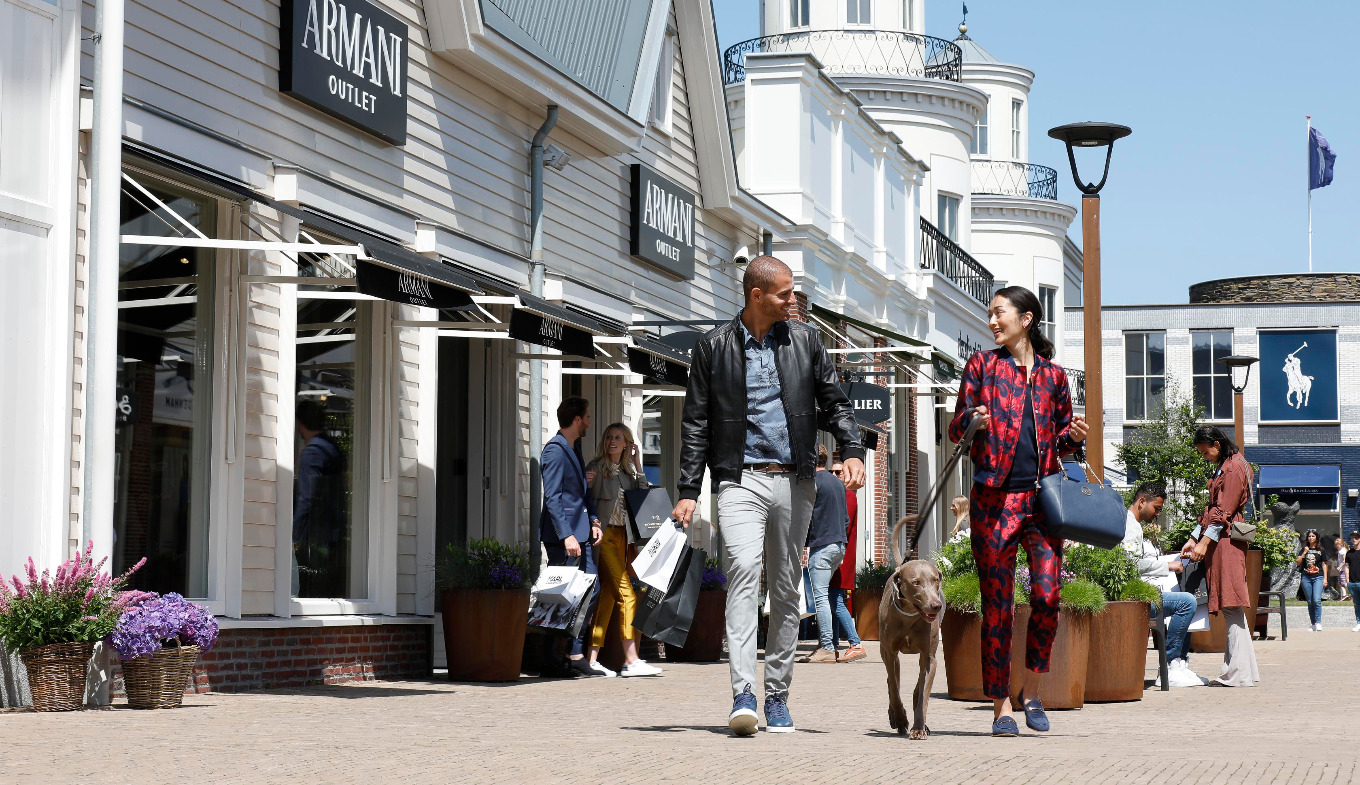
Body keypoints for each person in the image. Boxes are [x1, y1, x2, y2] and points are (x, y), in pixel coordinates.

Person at [672, 256, 866, 736]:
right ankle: (743, 692)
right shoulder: (714, 346)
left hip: (795, 479)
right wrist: (686, 490)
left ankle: (777, 695)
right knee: (742, 573)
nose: (793, 299)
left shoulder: (805, 340)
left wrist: (852, 448)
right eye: (785, 293)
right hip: (738, 479)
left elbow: (834, 401)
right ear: (757, 295)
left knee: (783, 589)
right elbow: (696, 422)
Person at [949, 285, 1088, 737]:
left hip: (1043, 502)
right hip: (994, 500)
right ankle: (1001, 706)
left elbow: (1062, 439)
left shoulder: (1053, 376)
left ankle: (1031, 690)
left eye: (999, 313)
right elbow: (955, 428)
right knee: (999, 609)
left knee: (1047, 597)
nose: (992, 321)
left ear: (1026, 319)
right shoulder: (982, 366)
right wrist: (973, 422)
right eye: (991, 314)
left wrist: (1076, 436)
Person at [1180, 425, 1259, 687]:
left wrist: (1202, 542)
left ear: (1216, 443)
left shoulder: (1233, 467)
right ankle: (1244, 672)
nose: (1205, 457)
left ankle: (1236, 673)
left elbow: (1222, 511)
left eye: (1205, 452)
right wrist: (1194, 538)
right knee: (1232, 606)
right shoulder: (1230, 464)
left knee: (1230, 603)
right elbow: (1213, 510)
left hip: (1225, 541)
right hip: (1224, 540)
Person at [582, 423, 662, 678]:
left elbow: (644, 500)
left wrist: (639, 464)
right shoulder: (595, 469)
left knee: (607, 596)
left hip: (622, 541)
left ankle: (592, 659)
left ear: (627, 443)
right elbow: (583, 499)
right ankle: (631, 660)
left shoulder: (628, 474)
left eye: (618, 438)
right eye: (609, 438)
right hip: (603, 539)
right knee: (627, 595)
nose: (612, 442)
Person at [539, 396, 604, 679]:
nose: (589, 422)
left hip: (583, 534)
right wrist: (566, 534)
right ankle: (550, 657)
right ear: (577, 420)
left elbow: (581, 494)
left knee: (592, 590)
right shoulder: (554, 451)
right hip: (564, 537)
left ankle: (575, 652)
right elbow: (552, 497)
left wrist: (593, 520)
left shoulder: (574, 448)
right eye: (587, 418)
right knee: (560, 596)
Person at [1120, 481, 1204, 688]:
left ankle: (1178, 663)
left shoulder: (1131, 523)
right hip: (1133, 598)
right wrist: (1167, 565)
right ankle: (1170, 665)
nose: (1157, 513)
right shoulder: (1130, 525)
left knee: (1187, 598)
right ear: (1141, 501)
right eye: (1156, 508)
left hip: (1139, 591)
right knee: (1187, 602)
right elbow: (1131, 564)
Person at [799, 446, 851, 664]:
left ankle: (828, 647)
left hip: (822, 547)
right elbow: (846, 519)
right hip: (839, 546)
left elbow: (804, 515)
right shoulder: (838, 484)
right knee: (825, 597)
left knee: (820, 598)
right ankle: (826, 644)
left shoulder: (814, 483)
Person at [294, 400, 344, 598]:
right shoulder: (332, 448)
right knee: (328, 589)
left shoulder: (312, 453)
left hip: (315, 535)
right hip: (334, 531)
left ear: (300, 424)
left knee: (311, 589)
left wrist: (294, 534)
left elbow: (307, 497)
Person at [828, 459, 866, 663]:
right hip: (838, 555)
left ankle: (855, 642)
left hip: (841, 556)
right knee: (831, 599)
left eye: (838, 473)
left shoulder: (848, 496)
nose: (834, 476)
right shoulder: (841, 495)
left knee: (835, 599)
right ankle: (832, 644)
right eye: (831, 472)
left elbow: (843, 526)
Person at [1296, 529, 1327, 632]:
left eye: (1313, 536)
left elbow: (1324, 564)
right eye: (1309, 536)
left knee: (1316, 600)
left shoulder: (1321, 550)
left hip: (1318, 576)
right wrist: (1304, 552)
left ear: (1316, 538)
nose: (1311, 538)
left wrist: (1325, 578)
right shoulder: (1304, 549)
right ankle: (1313, 623)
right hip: (1306, 577)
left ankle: (1318, 622)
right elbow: (1298, 562)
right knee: (1310, 601)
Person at [1346, 530, 1360, 632]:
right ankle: (1359, 623)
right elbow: (1347, 567)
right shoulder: (1349, 553)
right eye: (1353, 537)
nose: (1354, 539)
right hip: (1352, 582)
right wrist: (1347, 581)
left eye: (1356, 537)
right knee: (1357, 604)